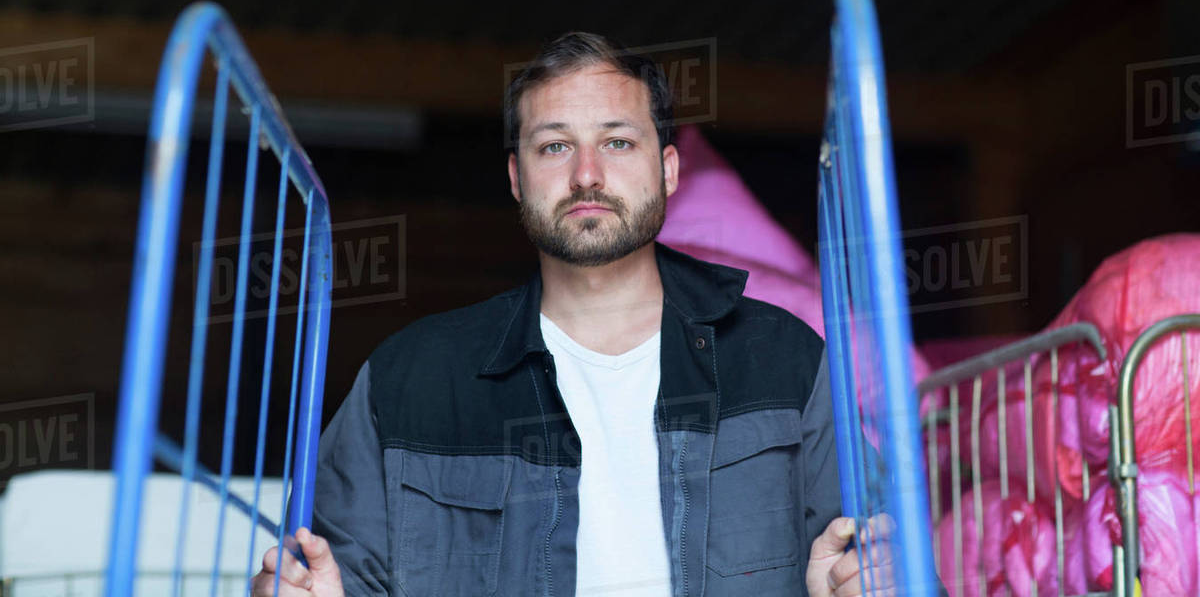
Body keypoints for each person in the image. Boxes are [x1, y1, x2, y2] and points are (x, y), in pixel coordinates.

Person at [250, 32, 894, 596]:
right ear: (516, 177)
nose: (587, 174)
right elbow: (328, 575)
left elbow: (895, 568)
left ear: (668, 170)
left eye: (617, 141)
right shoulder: (409, 380)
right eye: (555, 147)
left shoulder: (784, 362)